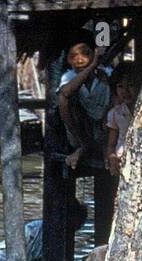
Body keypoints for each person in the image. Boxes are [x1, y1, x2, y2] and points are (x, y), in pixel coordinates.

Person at [57, 34, 112, 171]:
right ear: (68, 60)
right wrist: (92, 65)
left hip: (106, 129)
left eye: (85, 54)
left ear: (94, 53)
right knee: (63, 99)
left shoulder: (106, 73)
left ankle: (104, 148)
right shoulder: (69, 76)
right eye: (74, 56)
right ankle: (84, 146)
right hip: (82, 132)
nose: (80, 60)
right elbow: (66, 93)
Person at [104, 63, 139, 177]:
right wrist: (112, 158)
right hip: (122, 162)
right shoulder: (115, 113)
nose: (125, 91)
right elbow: (111, 144)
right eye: (120, 86)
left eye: (130, 85)